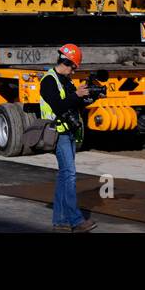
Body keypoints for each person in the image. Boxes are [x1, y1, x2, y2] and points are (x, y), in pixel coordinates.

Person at [39, 43, 97, 233]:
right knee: (69, 176)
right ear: (67, 62)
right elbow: (58, 105)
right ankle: (76, 220)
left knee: (65, 177)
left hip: (69, 133)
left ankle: (60, 222)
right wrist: (76, 95)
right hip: (58, 134)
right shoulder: (48, 81)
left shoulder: (65, 81)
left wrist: (87, 96)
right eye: (74, 67)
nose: (74, 71)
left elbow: (74, 104)